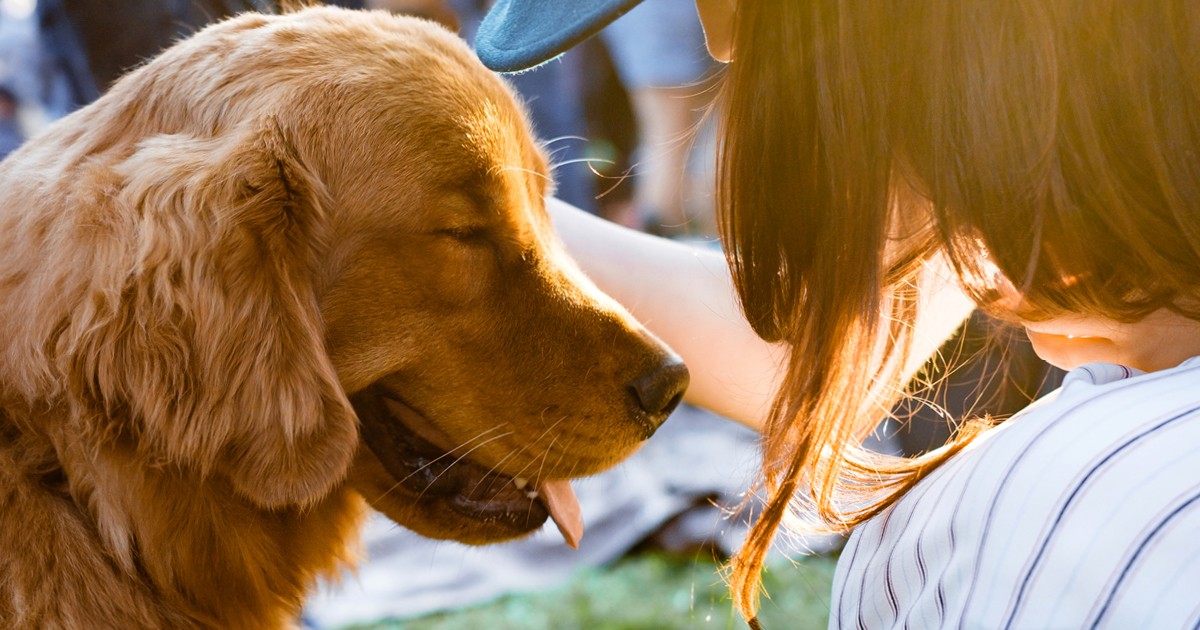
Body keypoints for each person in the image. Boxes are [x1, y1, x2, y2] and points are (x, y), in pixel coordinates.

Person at [475, 0, 1200, 628]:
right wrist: (468, 216)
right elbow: (809, 350)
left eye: (743, 14)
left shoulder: (1047, 526)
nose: (720, 45)